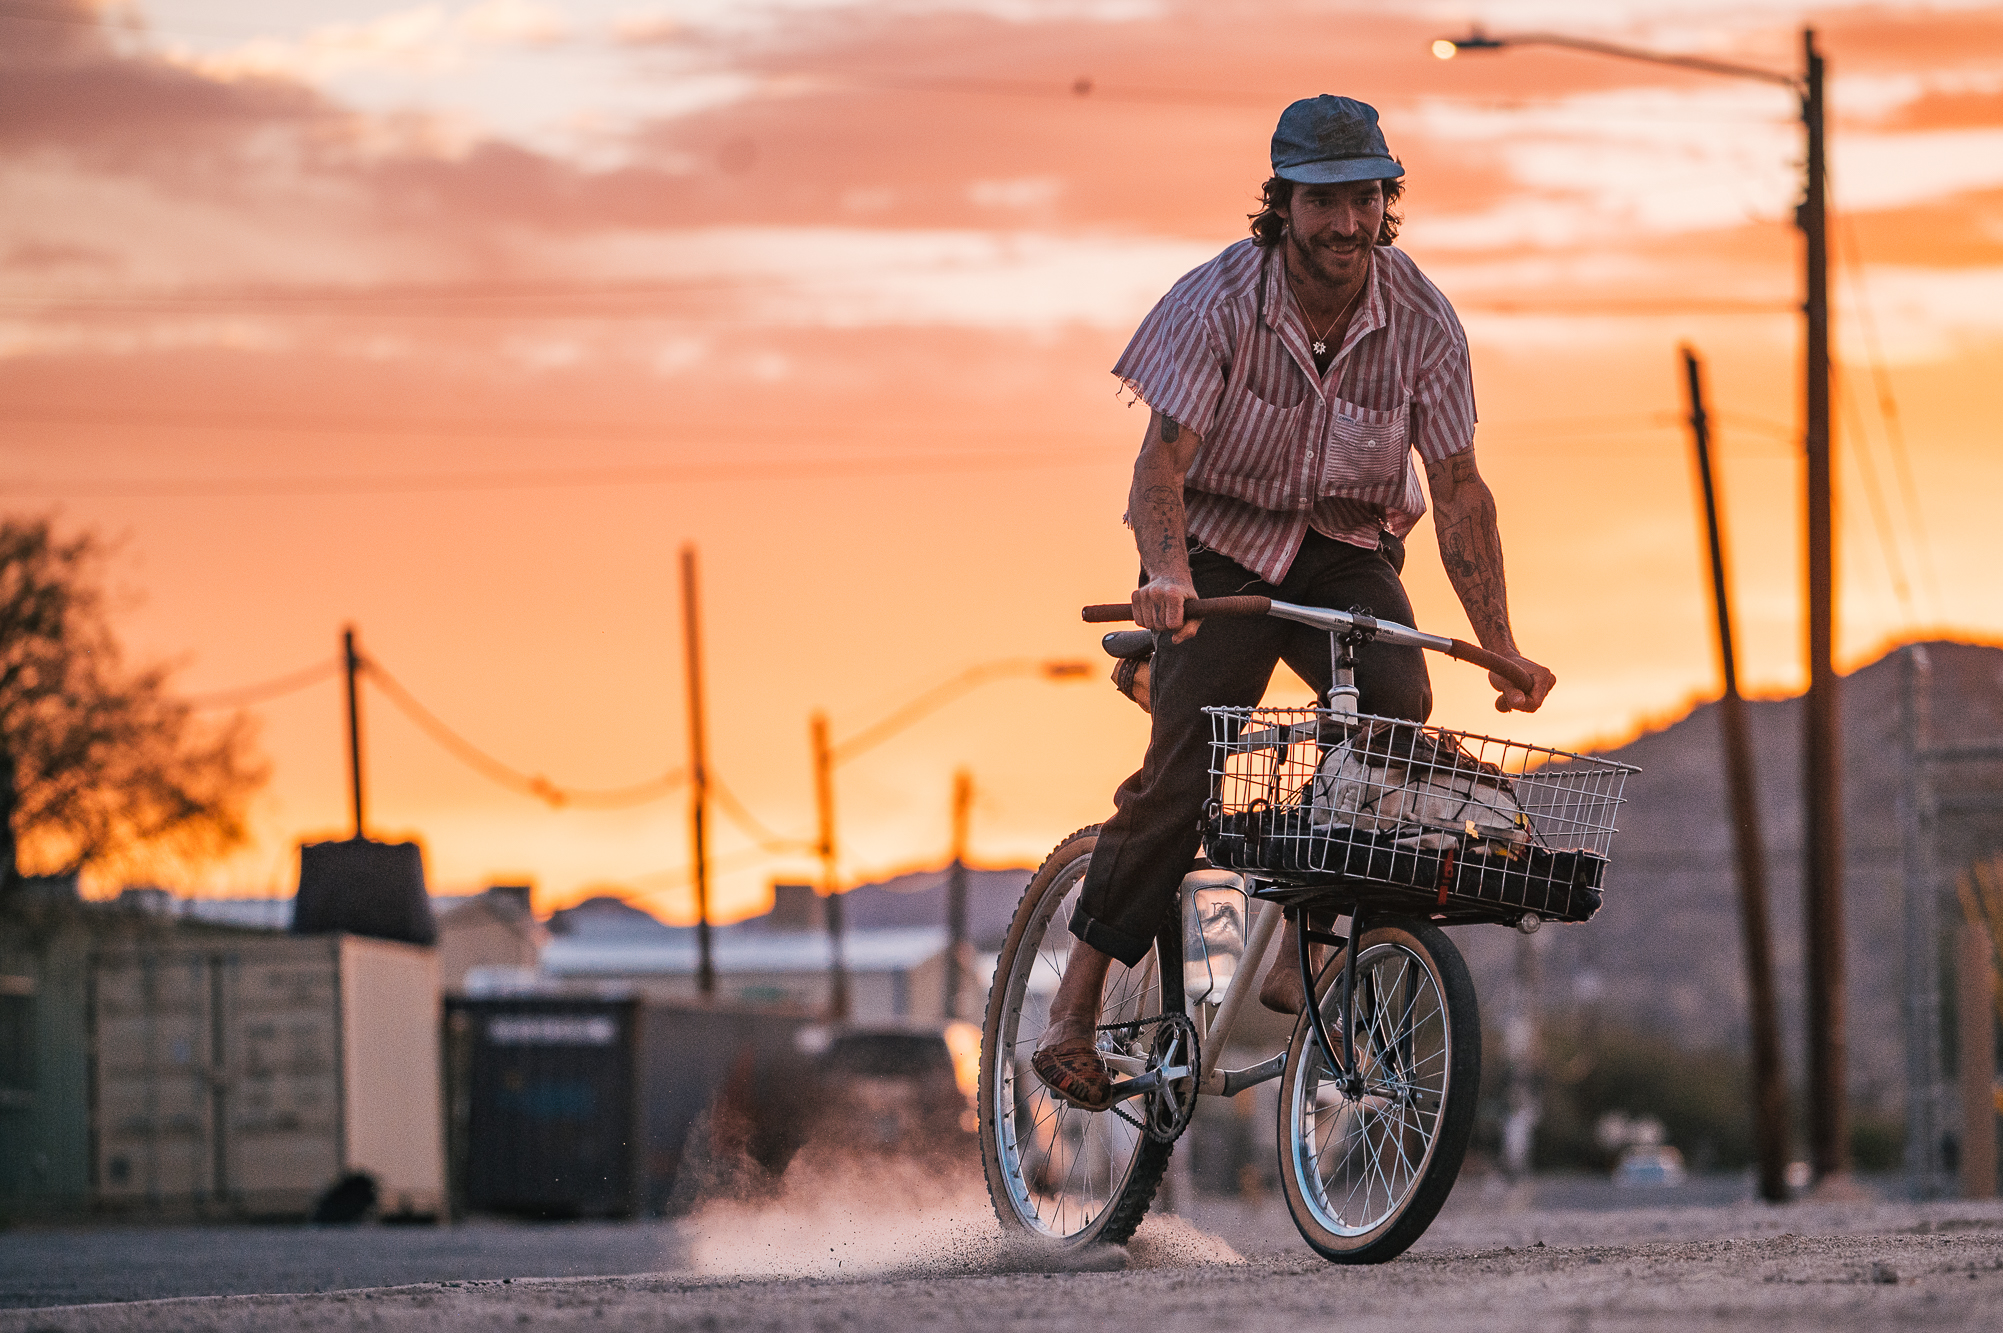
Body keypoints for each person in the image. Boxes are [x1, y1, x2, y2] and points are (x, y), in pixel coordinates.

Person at [1032, 95, 1557, 1111]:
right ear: (1281, 205)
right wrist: (1169, 574)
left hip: (1346, 546)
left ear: (1384, 201)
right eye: (1322, 202)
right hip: (1220, 548)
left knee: (1393, 717)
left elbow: (1455, 487)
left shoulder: (1422, 322)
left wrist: (1497, 643)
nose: (1345, 224)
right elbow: (1160, 467)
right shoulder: (1216, 302)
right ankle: (1073, 1006)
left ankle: (1293, 951)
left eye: (1363, 197)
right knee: (1185, 771)